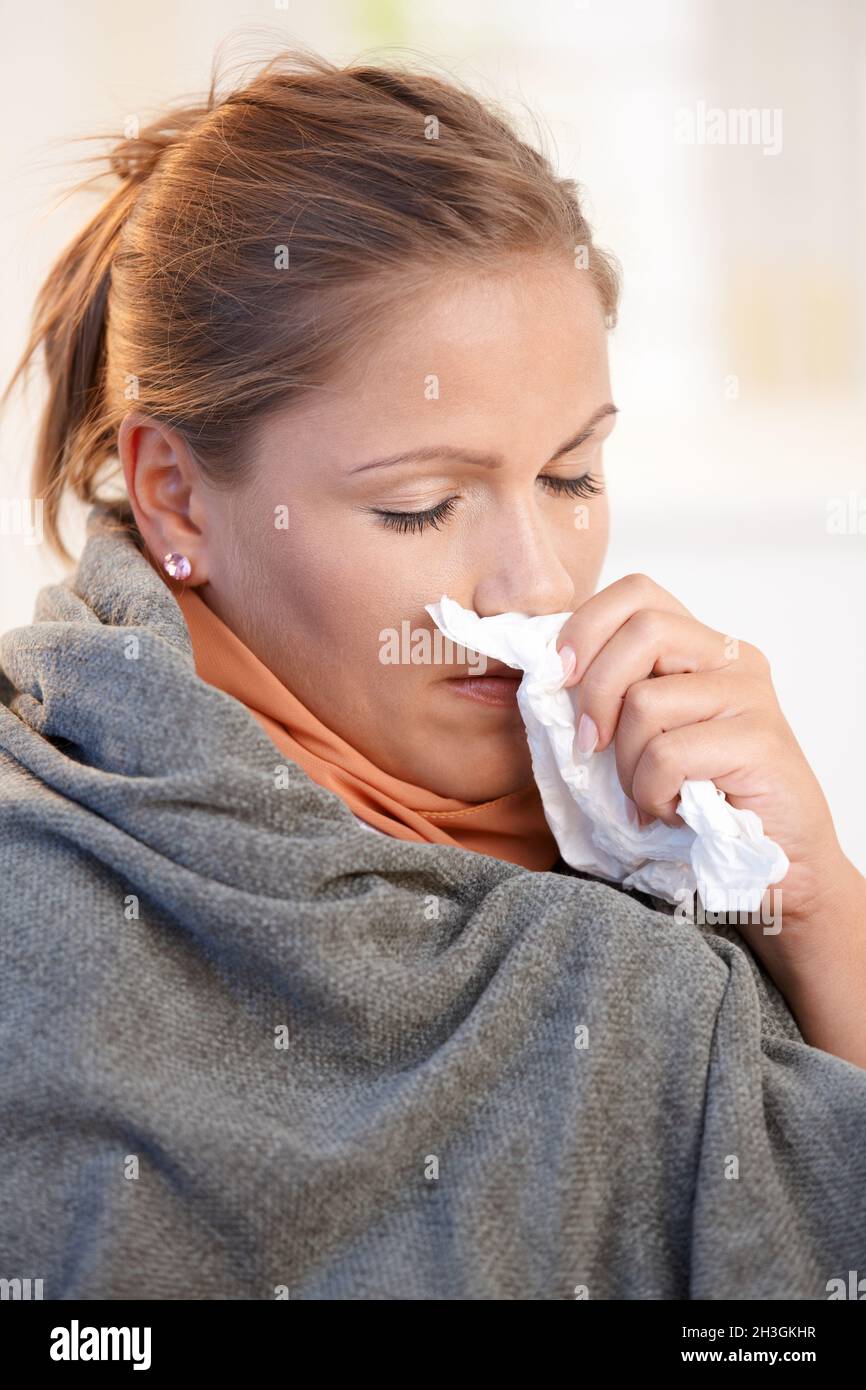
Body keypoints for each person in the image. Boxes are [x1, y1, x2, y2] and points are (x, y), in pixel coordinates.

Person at [1, 47, 864, 1301]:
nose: (533, 585)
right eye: (419, 506)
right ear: (174, 491)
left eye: (571, 477)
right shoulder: (37, 907)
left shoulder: (666, 870)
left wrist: (822, 911)